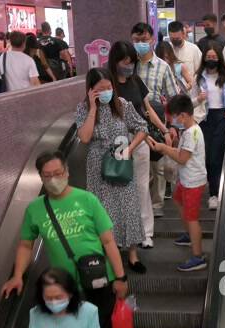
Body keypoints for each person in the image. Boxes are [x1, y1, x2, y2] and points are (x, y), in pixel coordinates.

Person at [2, 151, 129, 328]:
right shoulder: (35, 209)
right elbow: (26, 245)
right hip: (65, 287)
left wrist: (121, 277)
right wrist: (17, 276)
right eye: (47, 175)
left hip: (99, 279)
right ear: (41, 178)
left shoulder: (88, 199)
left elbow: (108, 241)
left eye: (58, 173)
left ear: (67, 172)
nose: (53, 179)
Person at [77, 68, 149, 274]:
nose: (107, 92)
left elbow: (142, 127)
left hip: (121, 161)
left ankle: (133, 255)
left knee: (129, 205)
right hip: (97, 166)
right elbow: (84, 137)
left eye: (109, 87)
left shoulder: (123, 105)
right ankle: (110, 253)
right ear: (91, 91)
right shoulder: (83, 109)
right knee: (103, 210)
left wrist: (130, 148)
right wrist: (92, 108)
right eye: (101, 89)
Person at [109, 41, 169, 251]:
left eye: (132, 62)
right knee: (120, 189)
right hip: (117, 143)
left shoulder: (136, 81)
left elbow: (147, 110)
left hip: (140, 139)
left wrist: (164, 130)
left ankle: (146, 233)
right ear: (115, 61)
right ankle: (122, 233)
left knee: (142, 188)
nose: (129, 66)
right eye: (125, 62)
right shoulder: (108, 84)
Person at [147, 94, 208, 273]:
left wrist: (164, 148)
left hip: (193, 182)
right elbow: (183, 153)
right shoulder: (191, 130)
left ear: (183, 116)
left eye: (173, 117)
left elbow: (182, 158)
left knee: (192, 218)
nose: (172, 121)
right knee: (177, 200)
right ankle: (189, 234)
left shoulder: (191, 133)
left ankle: (198, 256)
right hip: (187, 180)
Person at [132, 22, 180, 222]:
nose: (140, 44)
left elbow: (173, 97)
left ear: (152, 40)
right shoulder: (129, 65)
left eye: (144, 40)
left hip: (157, 118)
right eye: (136, 40)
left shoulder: (162, 67)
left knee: (159, 166)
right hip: (134, 119)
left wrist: (173, 125)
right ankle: (142, 203)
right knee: (139, 165)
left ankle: (157, 203)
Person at [195, 44, 225, 211]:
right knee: (206, 158)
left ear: (219, 59)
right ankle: (210, 191)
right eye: (208, 57)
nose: (211, 60)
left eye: (214, 57)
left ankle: (215, 194)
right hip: (204, 118)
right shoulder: (199, 78)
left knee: (216, 157)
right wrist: (198, 98)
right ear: (204, 58)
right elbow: (191, 102)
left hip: (220, 118)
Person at [168, 21, 202, 87]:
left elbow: (199, 70)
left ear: (183, 34)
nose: (175, 40)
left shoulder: (193, 49)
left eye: (177, 38)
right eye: (172, 38)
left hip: (190, 90)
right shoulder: (167, 49)